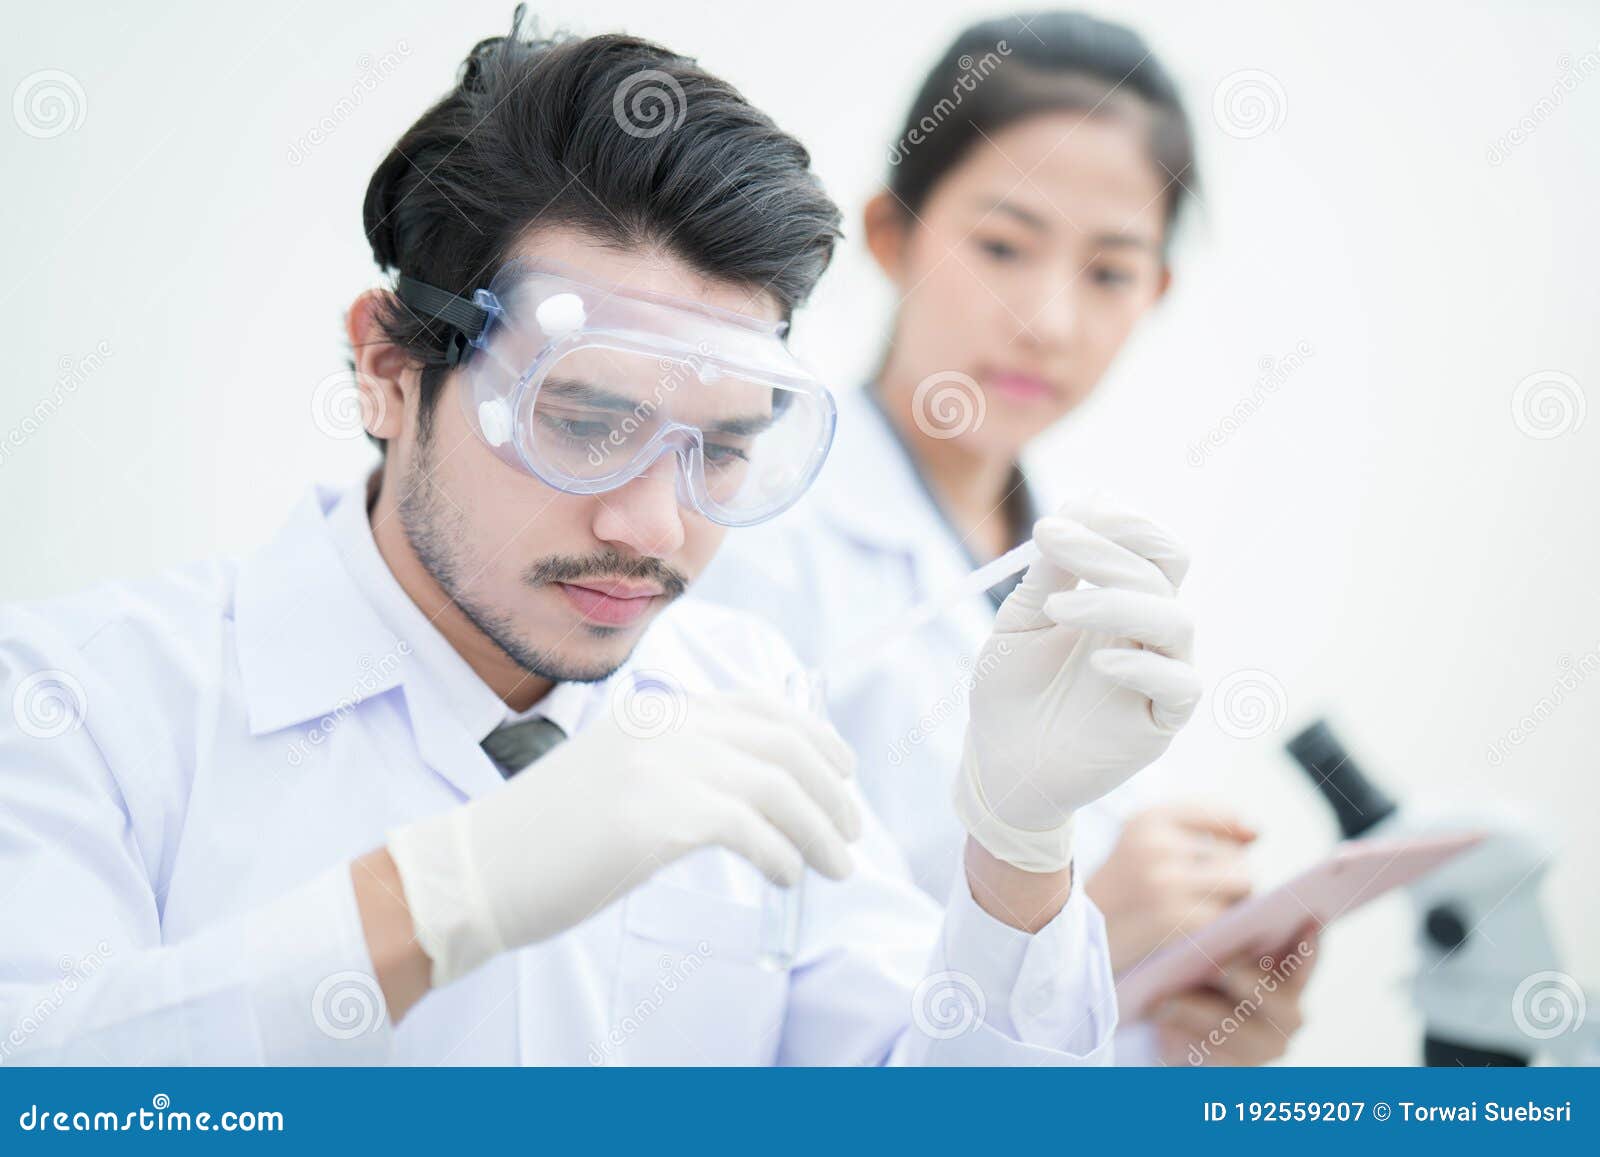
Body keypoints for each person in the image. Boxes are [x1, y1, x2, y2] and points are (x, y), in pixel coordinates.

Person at [0, 12, 1200, 1066]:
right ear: (385, 364)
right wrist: (441, 896)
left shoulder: (746, 698)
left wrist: (1018, 859)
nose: (653, 525)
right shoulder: (78, 700)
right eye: (584, 419)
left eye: (722, 446)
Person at [698, 11, 1314, 1065]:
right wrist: (1065, 929)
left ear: (1153, 294)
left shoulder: (1091, 558)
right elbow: (730, 988)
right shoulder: (746, 526)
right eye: (1000, 246)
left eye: (1110, 271)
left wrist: (1184, 1030)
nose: (1048, 319)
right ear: (891, 234)